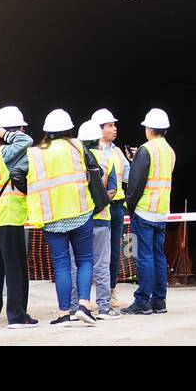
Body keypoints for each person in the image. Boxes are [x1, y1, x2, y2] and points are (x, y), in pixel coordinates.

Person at [27, 109, 99, 326]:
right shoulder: (78, 146)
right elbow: (97, 172)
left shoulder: (35, 153)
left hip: (52, 216)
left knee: (61, 266)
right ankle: (84, 305)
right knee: (85, 260)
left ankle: (63, 314)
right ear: (69, 128)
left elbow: (21, 177)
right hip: (80, 211)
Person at [0, 106, 36, 330]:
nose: (22, 132)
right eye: (20, 128)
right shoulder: (7, 152)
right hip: (10, 215)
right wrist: (6, 133)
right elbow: (26, 141)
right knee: (16, 268)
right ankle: (17, 317)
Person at [123, 108, 175, 315]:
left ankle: (143, 300)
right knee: (158, 256)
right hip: (162, 210)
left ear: (150, 129)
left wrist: (131, 206)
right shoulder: (169, 151)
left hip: (144, 210)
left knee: (144, 256)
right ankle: (159, 301)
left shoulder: (145, 150)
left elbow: (136, 184)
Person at [80, 119, 120, 316]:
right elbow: (113, 189)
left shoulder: (75, 160)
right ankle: (104, 307)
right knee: (101, 264)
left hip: (78, 219)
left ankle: (75, 307)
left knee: (77, 264)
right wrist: (99, 205)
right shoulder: (108, 159)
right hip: (102, 219)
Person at [91, 108, 128, 292]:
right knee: (94, 253)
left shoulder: (118, 152)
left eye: (114, 125)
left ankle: (110, 290)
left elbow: (129, 176)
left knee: (114, 253)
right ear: (99, 129)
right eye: (110, 125)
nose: (115, 129)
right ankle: (87, 294)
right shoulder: (90, 151)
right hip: (97, 208)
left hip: (117, 207)